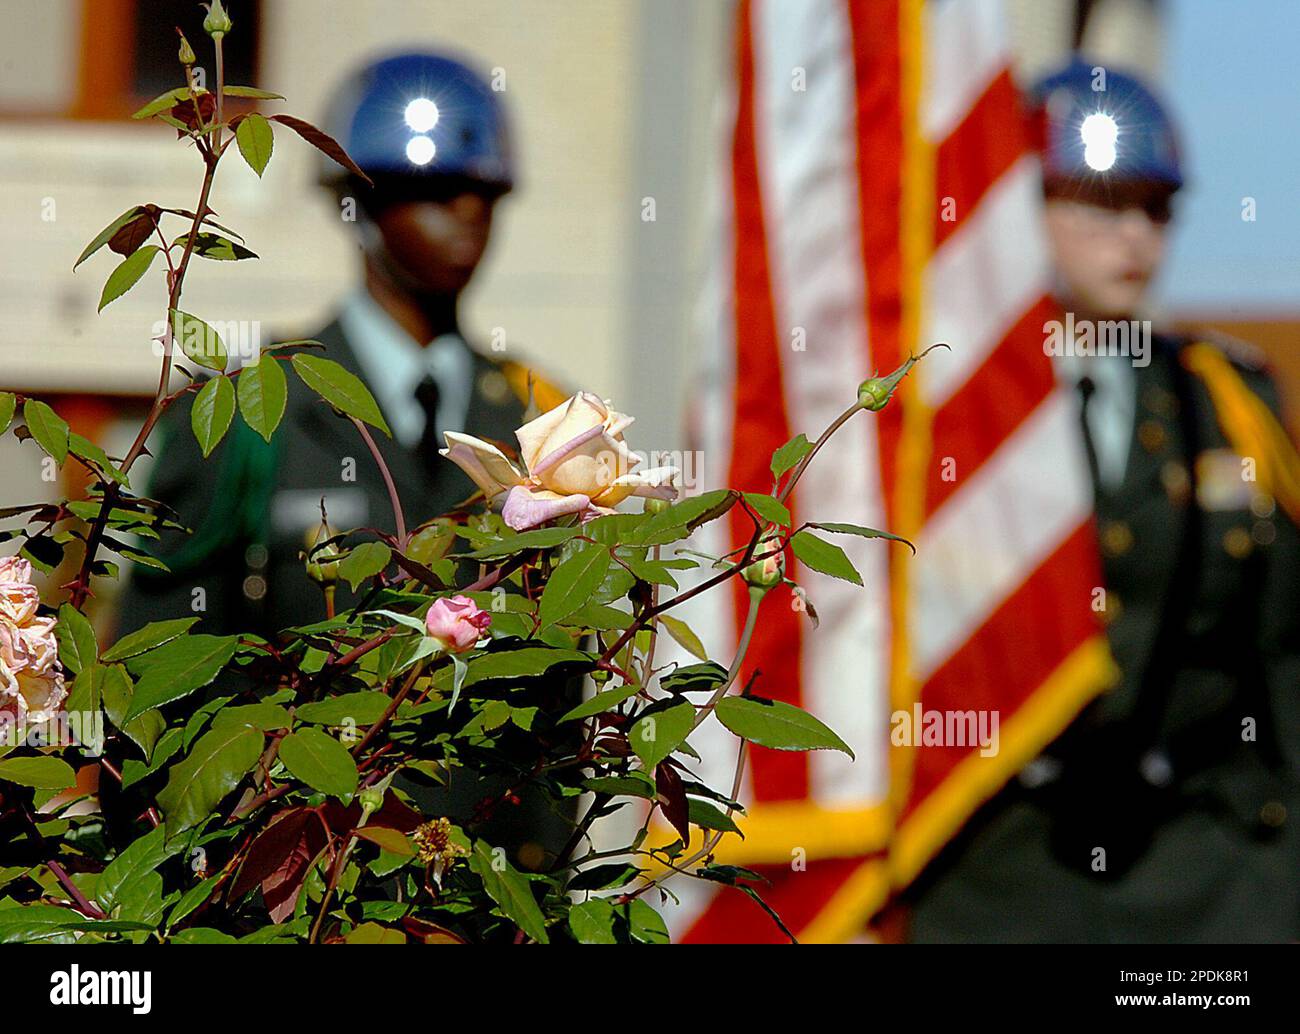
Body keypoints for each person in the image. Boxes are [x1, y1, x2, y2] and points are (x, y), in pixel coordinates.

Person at [116, 52, 570, 867]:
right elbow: (156, 680)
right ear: (359, 206)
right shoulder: (251, 410)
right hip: (300, 898)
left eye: (485, 190)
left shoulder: (542, 423)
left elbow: (565, 701)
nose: (467, 210)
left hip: (492, 903)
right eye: (427, 191)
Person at [903, 59, 1300, 942]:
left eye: (1155, 208)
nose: (1136, 239)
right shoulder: (940, 411)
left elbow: (1281, 652)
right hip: (989, 873)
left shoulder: (1223, 398)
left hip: (1202, 877)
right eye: (1097, 201)